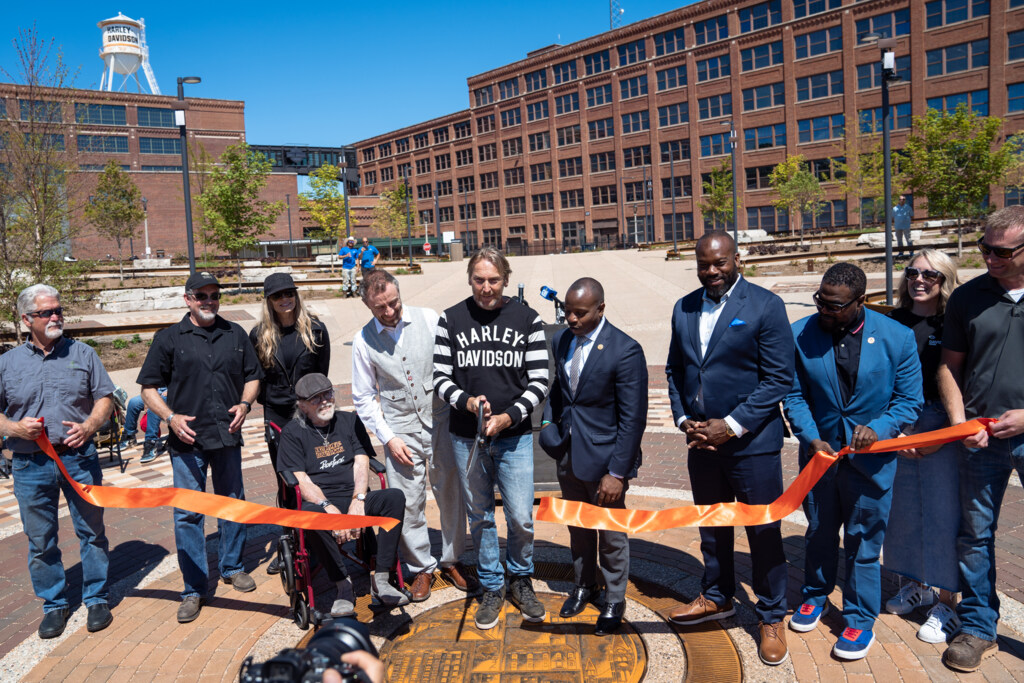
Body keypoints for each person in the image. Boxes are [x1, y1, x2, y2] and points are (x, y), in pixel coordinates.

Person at [664, 231, 795, 666]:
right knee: (712, 525)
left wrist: (732, 426)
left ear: (736, 259)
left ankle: (772, 614)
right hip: (701, 441)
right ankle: (716, 596)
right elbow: (675, 369)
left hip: (752, 444)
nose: (712, 272)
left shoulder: (765, 305)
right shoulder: (683, 307)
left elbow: (778, 378)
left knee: (762, 531)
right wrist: (686, 420)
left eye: (720, 263)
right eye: (704, 264)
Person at [784, 262, 922, 660]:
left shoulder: (898, 338)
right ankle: (815, 594)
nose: (824, 312)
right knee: (819, 531)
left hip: (871, 463)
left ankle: (860, 620)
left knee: (864, 542)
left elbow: (908, 401)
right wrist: (811, 437)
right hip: (820, 457)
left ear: (860, 302)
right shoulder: (800, 335)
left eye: (836, 307)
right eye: (820, 303)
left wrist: (879, 427)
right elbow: (794, 395)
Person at [137, 271, 264, 623]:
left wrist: (245, 404)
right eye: (201, 295)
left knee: (231, 504)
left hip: (226, 436)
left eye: (214, 295)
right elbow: (148, 387)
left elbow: (253, 376)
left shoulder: (234, 333)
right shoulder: (169, 338)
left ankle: (232, 566)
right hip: (187, 440)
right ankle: (194, 587)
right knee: (188, 514)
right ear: (188, 299)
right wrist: (170, 417)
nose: (209, 301)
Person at [433, 247, 550, 630]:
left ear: (505, 278)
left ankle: (521, 578)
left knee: (521, 516)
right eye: (479, 280)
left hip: (513, 436)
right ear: (470, 279)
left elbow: (539, 382)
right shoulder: (449, 320)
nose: (486, 288)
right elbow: (439, 379)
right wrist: (467, 402)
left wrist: (507, 417)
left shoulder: (527, 319)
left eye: (494, 280)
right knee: (480, 517)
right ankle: (491, 586)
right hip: (466, 437)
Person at [352, 269, 475, 602]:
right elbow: (363, 396)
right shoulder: (363, 340)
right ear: (368, 304)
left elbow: (453, 365)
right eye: (381, 308)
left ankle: (451, 559)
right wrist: (388, 437)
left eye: (394, 302)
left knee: (451, 492)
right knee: (407, 501)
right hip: (400, 428)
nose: (390, 311)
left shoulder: (429, 318)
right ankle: (421, 567)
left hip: (441, 420)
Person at [0, 284, 115, 638]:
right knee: (40, 540)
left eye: (58, 310)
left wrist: (91, 425)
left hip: (79, 458)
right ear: (25, 319)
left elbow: (105, 399)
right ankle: (54, 604)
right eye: (46, 312)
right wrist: (14, 428)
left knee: (92, 532)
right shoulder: (7, 363)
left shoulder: (84, 353)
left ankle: (96, 597)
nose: (55, 317)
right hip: (29, 465)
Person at [937, 205, 1024, 672]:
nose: (990, 258)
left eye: (1002, 251)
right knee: (974, 535)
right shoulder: (968, 298)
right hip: (979, 441)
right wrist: (959, 423)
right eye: (984, 249)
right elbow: (949, 366)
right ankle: (977, 627)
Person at [539, 277, 647, 636]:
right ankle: (584, 586)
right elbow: (559, 391)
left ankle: (614, 598)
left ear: (601, 308)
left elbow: (633, 419)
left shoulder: (625, 350)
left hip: (605, 462)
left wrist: (617, 472)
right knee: (579, 528)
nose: (571, 318)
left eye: (580, 313)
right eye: (568, 311)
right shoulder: (561, 340)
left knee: (612, 535)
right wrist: (549, 426)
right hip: (568, 455)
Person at [277, 373, 409, 614]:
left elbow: (361, 461)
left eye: (328, 394)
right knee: (310, 516)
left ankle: (381, 579)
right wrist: (327, 507)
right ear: (302, 405)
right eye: (316, 399)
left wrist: (358, 501)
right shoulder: (293, 433)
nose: (325, 401)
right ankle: (342, 585)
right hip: (321, 502)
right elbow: (300, 480)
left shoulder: (349, 421)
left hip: (353, 497)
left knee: (395, 497)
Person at [882, 250, 962, 644]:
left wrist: (947, 431)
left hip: (941, 421)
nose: (920, 279)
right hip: (899, 423)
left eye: (931, 274)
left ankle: (947, 599)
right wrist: (892, 431)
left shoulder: (956, 321)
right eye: (913, 271)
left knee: (943, 512)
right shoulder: (890, 320)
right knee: (902, 511)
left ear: (946, 278)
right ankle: (916, 584)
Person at [250, 272, 330, 574]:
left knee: (316, 474)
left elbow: (322, 376)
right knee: (287, 481)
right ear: (269, 301)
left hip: (309, 413)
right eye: (277, 296)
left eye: (289, 293)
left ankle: (317, 537)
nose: (285, 299)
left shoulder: (315, 330)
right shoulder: (259, 335)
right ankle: (289, 541)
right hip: (278, 415)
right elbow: (256, 377)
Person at [122, 387, 167, 463]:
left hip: (172, 394)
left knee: (154, 406)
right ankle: (129, 437)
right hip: (155, 392)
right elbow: (147, 382)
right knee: (133, 402)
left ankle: (151, 444)